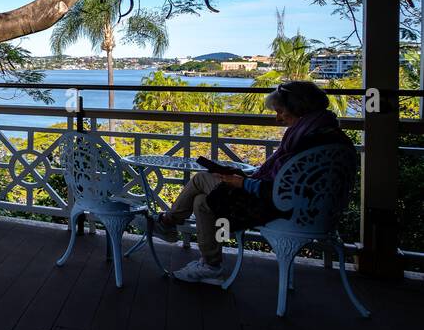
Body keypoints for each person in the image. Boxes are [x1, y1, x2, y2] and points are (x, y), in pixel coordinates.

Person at [148, 80, 354, 284]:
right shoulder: (332, 137)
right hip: (318, 211)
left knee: (201, 178)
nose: (277, 119)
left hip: (279, 207)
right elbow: (289, 180)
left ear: (299, 108)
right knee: (202, 202)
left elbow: (280, 188)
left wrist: (241, 183)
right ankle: (210, 265)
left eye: (281, 111)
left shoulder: (305, 142)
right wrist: (244, 177)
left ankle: (167, 222)